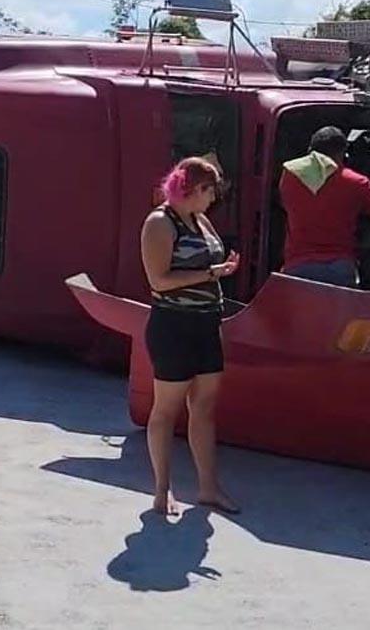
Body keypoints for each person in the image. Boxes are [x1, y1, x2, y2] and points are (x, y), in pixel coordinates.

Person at [140, 156, 240, 516]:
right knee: (166, 410)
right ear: (195, 189)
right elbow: (159, 281)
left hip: (206, 322)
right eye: (210, 191)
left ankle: (208, 487)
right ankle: (161, 489)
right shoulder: (159, 223)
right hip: (173, 325)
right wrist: (211, 274)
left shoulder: (200, 220)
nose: (213, 198)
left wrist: (222, 271)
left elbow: (207, 266)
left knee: (204, 407)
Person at [278, 126, 370, 287]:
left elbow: (285, 204)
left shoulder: (289, 177)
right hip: (339, 268)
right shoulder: (357, 182)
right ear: (343, 152)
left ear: (311, 150)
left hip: (297, 266)